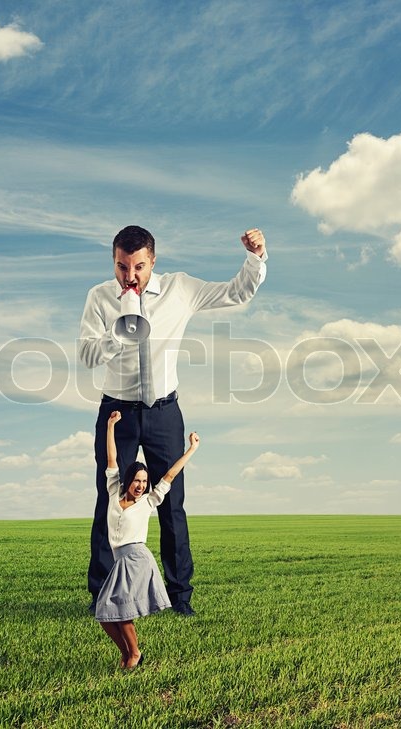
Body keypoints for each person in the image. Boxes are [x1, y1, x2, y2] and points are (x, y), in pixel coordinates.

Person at [79, 225, 267, 616]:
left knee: (171, 505)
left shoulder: (180, 289)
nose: (129, 277)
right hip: (119, 410)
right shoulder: (99, 298)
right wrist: (120, 335)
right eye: (121, 267)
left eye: (139, 267)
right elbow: (86, 356)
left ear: (153, 261)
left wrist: (255, 257)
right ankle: (104, 599)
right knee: (111, 502)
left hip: (165, 412)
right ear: (113, 261)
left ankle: (180, 599)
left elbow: (237, 292)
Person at [96, 410, 200, 668]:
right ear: (129, 480)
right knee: (105, 615)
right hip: (120, 560)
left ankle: (133, 655)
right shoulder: (113, 492)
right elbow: (111, 458)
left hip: (137, 559)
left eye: (144, 481)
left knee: (121, 612)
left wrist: (191, 449)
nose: (141, 485)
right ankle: (129, 653)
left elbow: (170, 476)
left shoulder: (148, 502)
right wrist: (111, 426)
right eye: (137, 480)